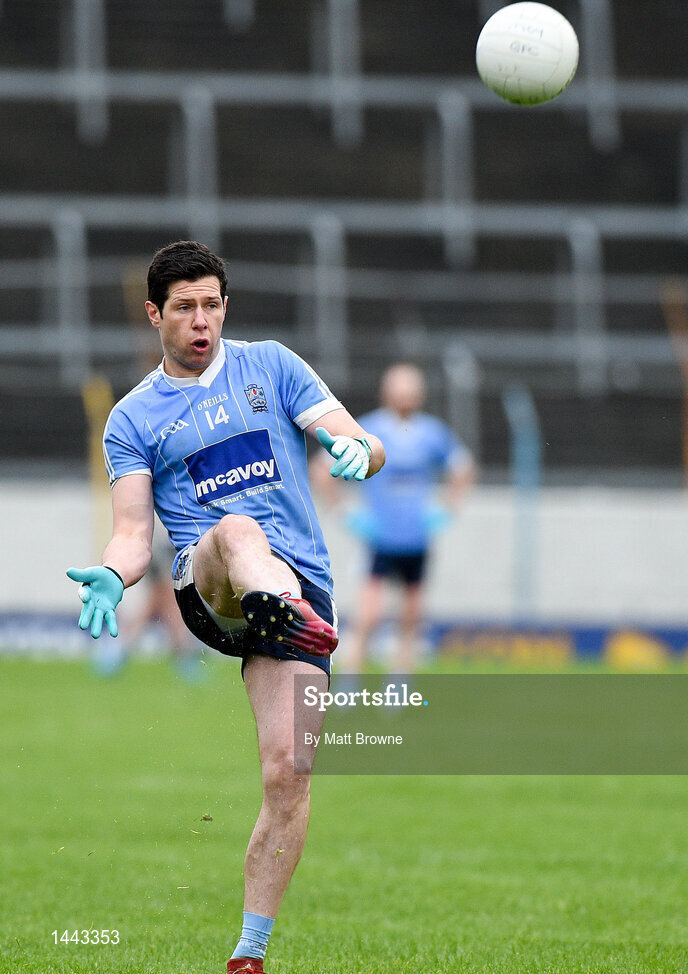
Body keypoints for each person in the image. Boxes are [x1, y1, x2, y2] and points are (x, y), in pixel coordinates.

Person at [66, 240, 385, 974]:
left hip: (300, 586)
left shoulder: (271, 365)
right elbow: (130, 532)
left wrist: (358, 454)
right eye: (184, 307)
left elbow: (361, 442)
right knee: (237, 530)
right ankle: (276, 604)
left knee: (289, 772)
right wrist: (115, 575)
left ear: (225, 306)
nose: (200, 320)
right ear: (155, 315)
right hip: (208, 587)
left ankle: (249, 954)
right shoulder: (133, 418)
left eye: (212, 304)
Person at [312, 362, 474, 673]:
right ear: (387, 392)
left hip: (416, 539)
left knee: (412, 616)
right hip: (379, 539)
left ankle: (400, 680)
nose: (407, 394)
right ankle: (349, 678)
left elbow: (463, 468)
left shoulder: (431, 433)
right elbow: (321, 469)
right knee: (367, 615)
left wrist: (447, 511)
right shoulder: (369, 430)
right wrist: (345, 514)